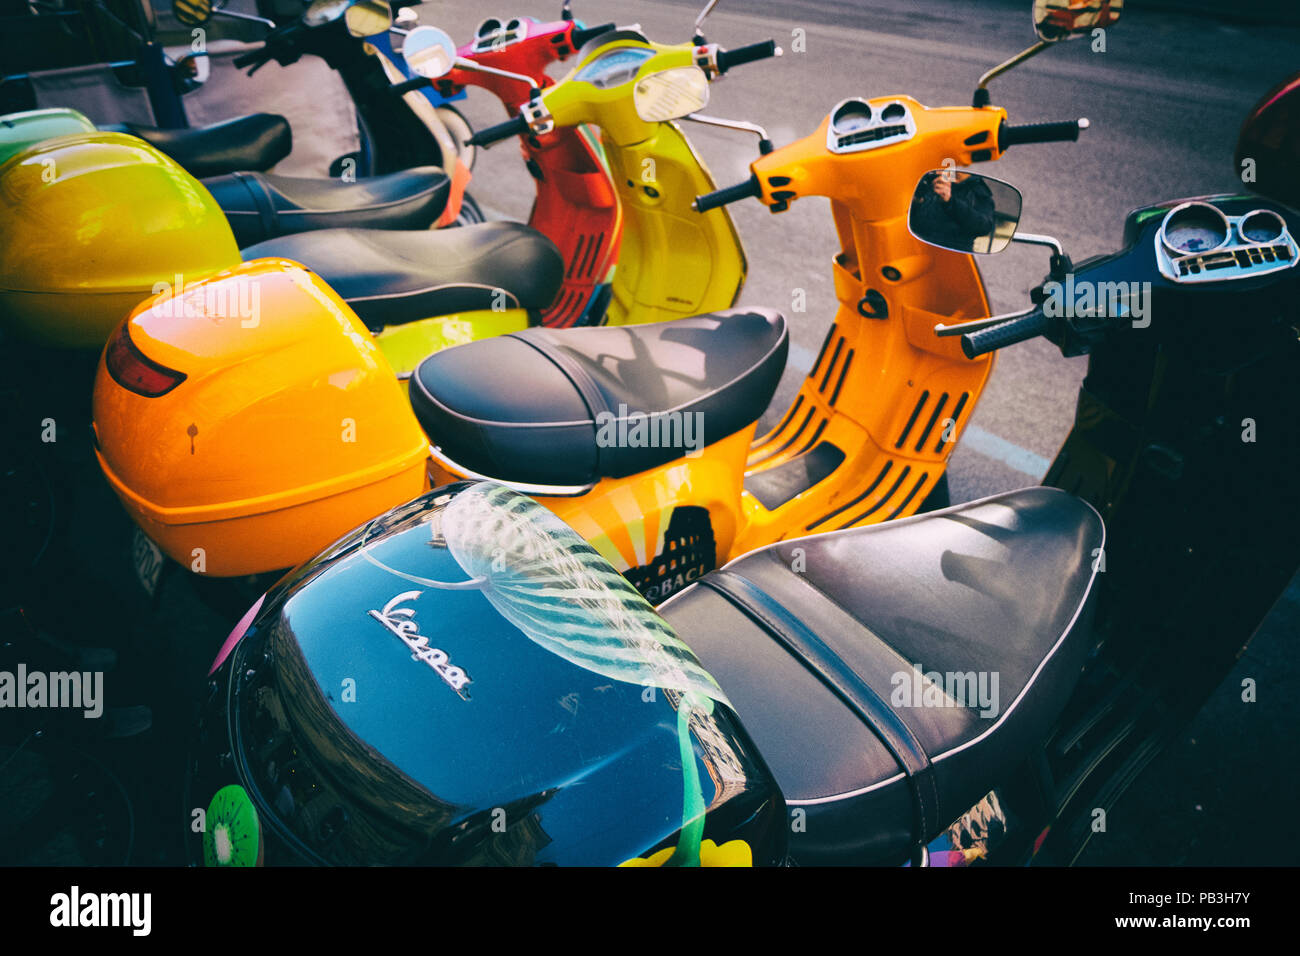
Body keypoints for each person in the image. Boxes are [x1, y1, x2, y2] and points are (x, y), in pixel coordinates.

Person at [910, 170, 996, 252]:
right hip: (916, 246)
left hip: (951, 252)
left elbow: (983, 227)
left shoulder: (978, 191)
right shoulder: (931, 180)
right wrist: (917, 203)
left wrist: (950, 202)